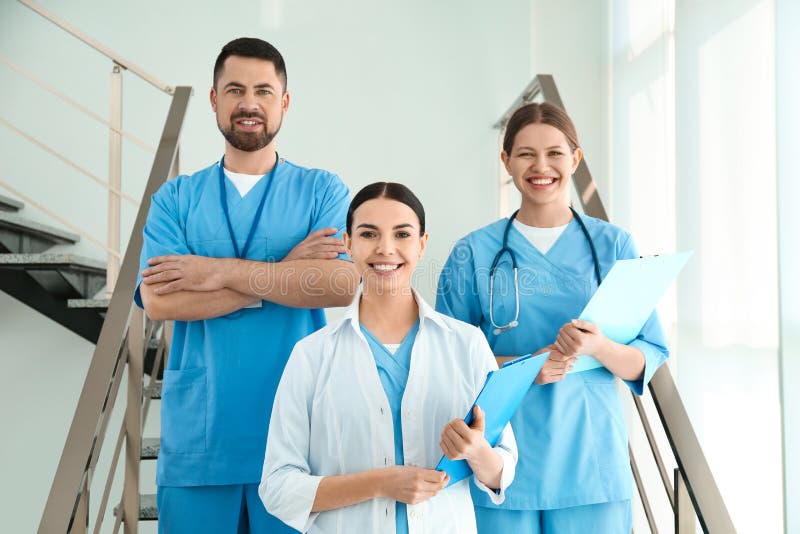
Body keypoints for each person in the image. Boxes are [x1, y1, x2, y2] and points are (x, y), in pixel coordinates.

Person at [135, 37, 359, 533]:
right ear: (215, 100)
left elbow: (339, 284)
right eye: (234, 90)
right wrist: (286, 271)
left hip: (295, 439)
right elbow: (157, 299)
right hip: (201, 440)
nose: (249, 103)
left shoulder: (322, 190)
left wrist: (213, 271)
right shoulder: (176, 198)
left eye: (263, 90)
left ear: (284, 101)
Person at [435, 102, 669, 533]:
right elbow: (445, 362)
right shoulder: (472, 253)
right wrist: (526, 368)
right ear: (505, 161)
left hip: (590, 464)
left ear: (576, 159)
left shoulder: (613, 245)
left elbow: (646, 358)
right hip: (499, 461)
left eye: (555, 153)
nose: (541, 166)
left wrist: (598, 345)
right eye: (525, 153)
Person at [259, 182, 517, 533]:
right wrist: (379, 483)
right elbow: (277, 487)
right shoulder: (312, 355)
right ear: (348, 244)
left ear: (422, 244)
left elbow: (502, 468)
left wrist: (477, 452)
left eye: (402, 234)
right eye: (369, 234)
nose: (386, 248)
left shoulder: (466, 344)